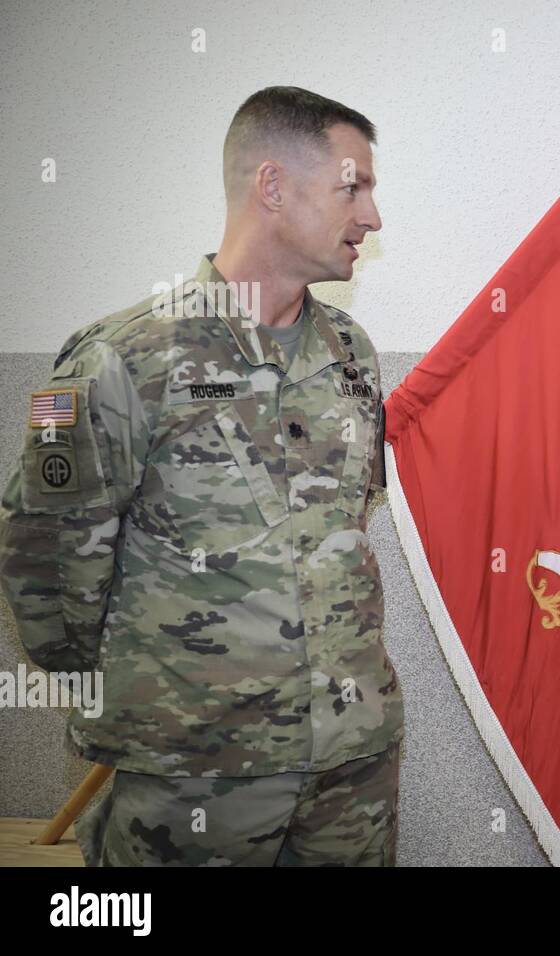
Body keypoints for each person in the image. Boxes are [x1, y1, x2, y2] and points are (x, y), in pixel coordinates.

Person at [0, 86, 403, 865]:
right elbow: (44, 570)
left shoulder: (353, 354)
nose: (373, 216)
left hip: (353, 770)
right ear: (273, 187)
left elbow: (346, 523)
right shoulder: (118, 358)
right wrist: (157, 701)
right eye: (354, 186)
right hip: (192, 778)